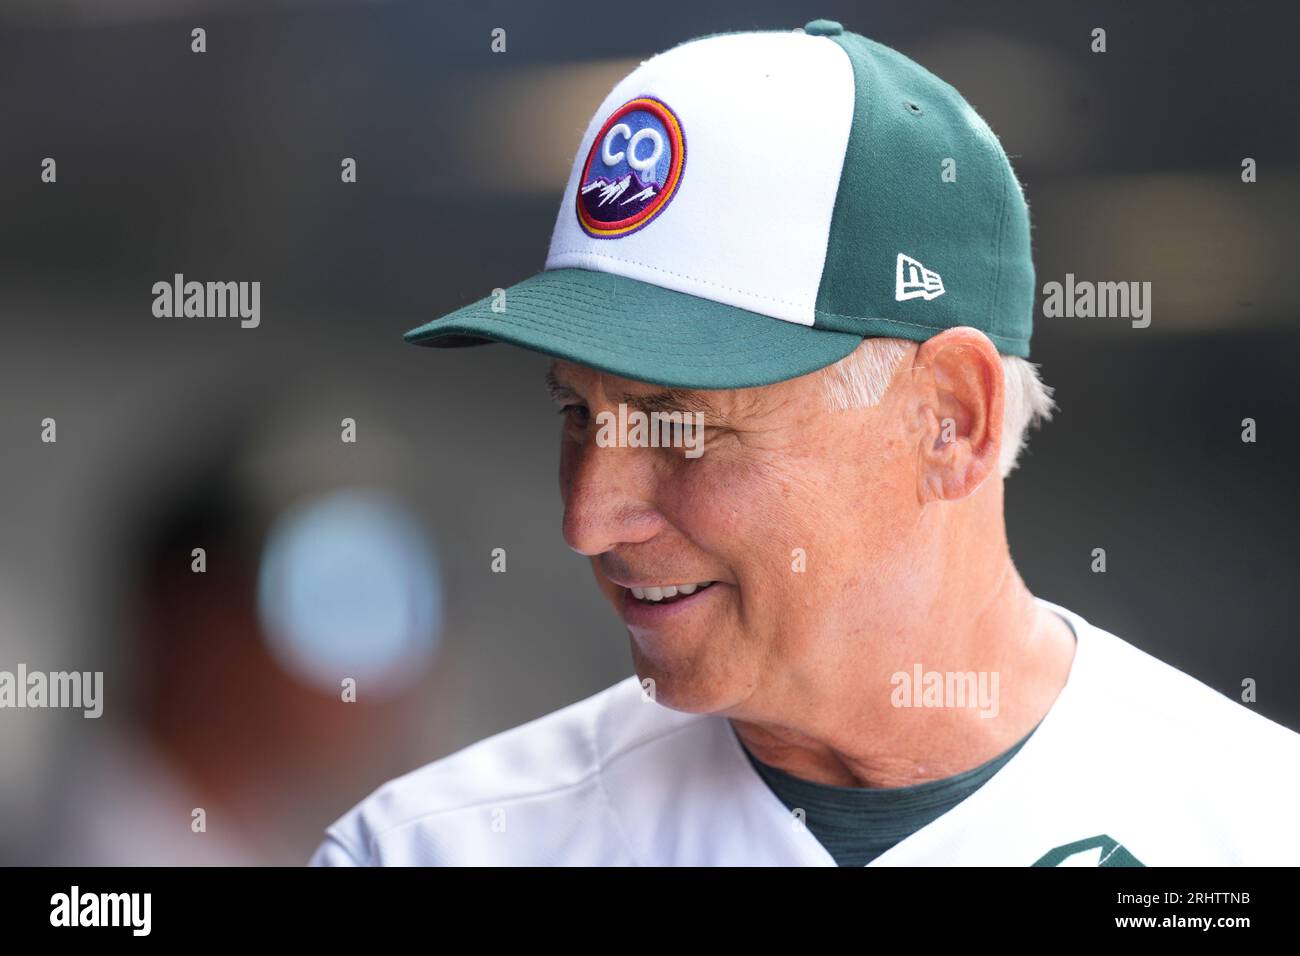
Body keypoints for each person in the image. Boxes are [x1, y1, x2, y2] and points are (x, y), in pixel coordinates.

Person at [310, 20, 1300, 866]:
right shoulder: (434, 848)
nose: (587, 516)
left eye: (678, 424)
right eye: (578, 413)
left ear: (949, 419)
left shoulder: (1254, 828)